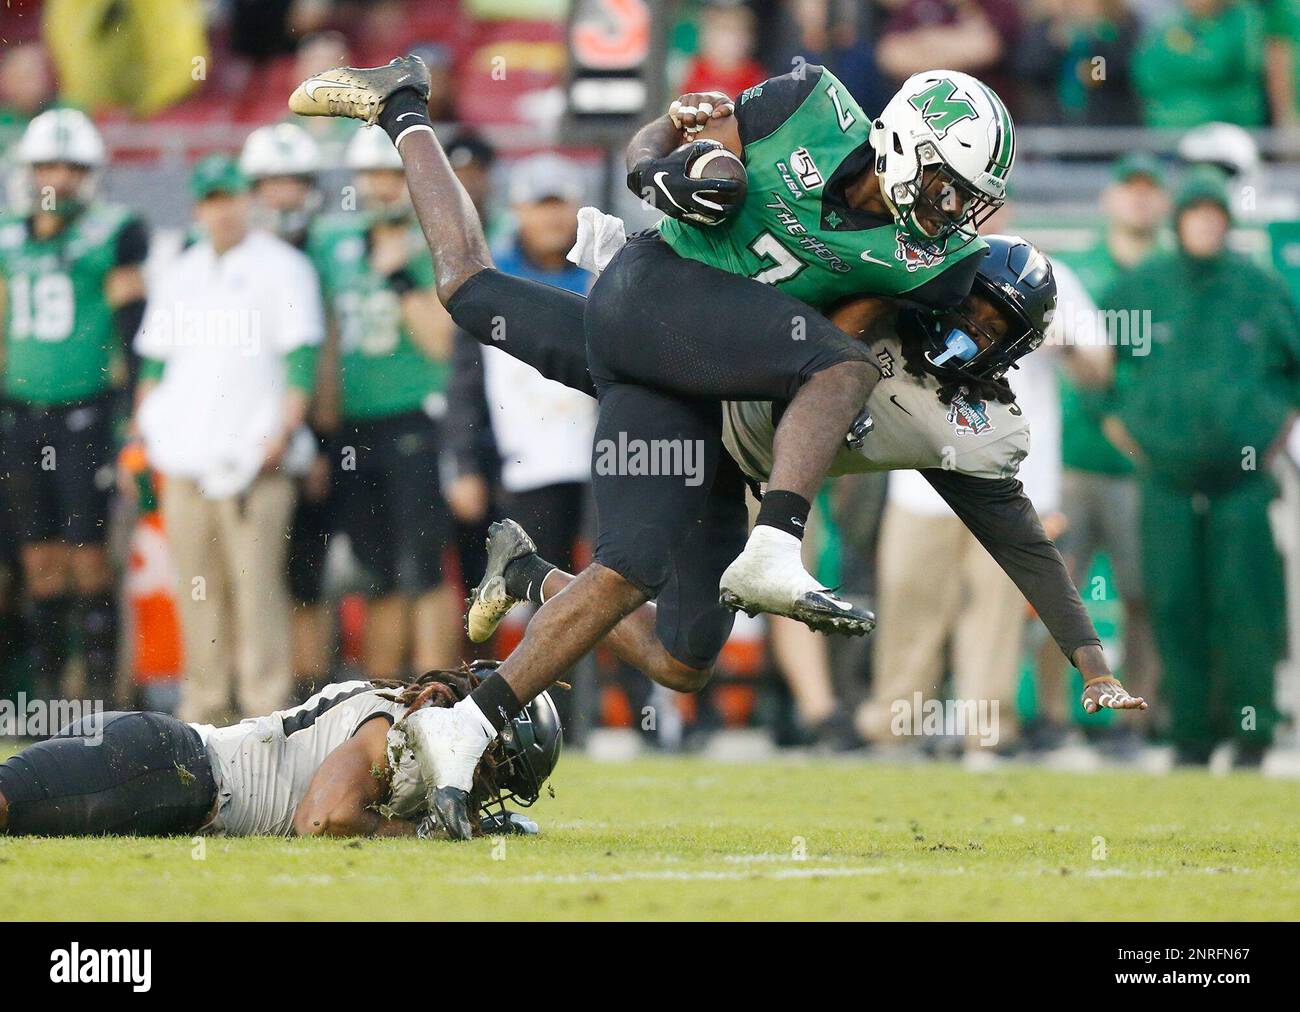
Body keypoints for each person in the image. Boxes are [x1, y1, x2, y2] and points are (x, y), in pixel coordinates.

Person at [288, 58, 1141, 839]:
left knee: (685, 657)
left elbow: (1013, 528)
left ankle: (403, 106)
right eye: (952, 190)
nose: (978, 337)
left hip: (694, 399)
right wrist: (674, 155)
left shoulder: (936, 312)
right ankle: (759, 556)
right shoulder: (810, 110)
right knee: (646, 548)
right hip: (655, 305)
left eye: (999, 335)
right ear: (909, 148)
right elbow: (655, 157)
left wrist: (1091, 663)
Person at [1103, 168, 1300, 767]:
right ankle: (1189, 733)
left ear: (1228, 222)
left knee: (1244, 604)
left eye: (1216, 216)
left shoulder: (1259, 289)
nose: (1206, 226)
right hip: (1165, 476)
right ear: (1178, 221)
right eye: (1196, 216)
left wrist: (1277, 429)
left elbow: (1292, 365)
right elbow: (1095, 358)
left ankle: (1252, 732)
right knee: (1174, 601)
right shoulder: (1143, 287)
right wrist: (1114, 417)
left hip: (1243, 480)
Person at [129, 154, 324, 725]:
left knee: (257, 590)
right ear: (198, 208)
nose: (223, 210)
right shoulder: (181, 270)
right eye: (212, 200)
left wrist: (283, 428)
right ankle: (204, 714)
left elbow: (301, 358)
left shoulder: (283, 267)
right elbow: (155, 365)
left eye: (231, 197)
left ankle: (265, 716)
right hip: (186, 456)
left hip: (254, 455)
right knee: (197, 593)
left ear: (248, 201)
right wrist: (142, 433)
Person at [0, 663, 560, 839]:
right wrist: (429, 833)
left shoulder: (398, 712)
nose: (487, 788)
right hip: (166, 773)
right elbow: (321, 817)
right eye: (497, 773)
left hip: (155, 756)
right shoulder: (394, 726)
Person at [0, 108, 149, 702]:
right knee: (37, 563)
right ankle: (45, 700)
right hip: (20, 415)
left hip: (86, 414)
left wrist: (132, 411)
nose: (57, 177)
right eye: (47, 165)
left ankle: (97, 700)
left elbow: (133, 332)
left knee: (89, 560)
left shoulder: (114, 231)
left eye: (70, 166)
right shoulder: (9, 235)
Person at [307, 126, 460, 679]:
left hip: (415, 417)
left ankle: (435, 691)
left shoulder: (432, 236)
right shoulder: (331, 239)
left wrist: (397, 274)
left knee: (424, 567)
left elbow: (440, 340)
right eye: (373, 174)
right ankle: (384, 695)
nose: (382, 186)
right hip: (350, 427)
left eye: (393, 175)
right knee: (377, 575)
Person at [240, 122, 336, 699]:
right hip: (252, 433)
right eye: (271, 183)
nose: (282, 195)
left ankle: (311, 692)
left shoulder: (329, 250)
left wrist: (319, 441)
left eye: (293, 182)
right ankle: (254, 698)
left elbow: (324, 360)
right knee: (252, 576)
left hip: (317, 430)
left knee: (310, 574)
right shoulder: (233, 259)